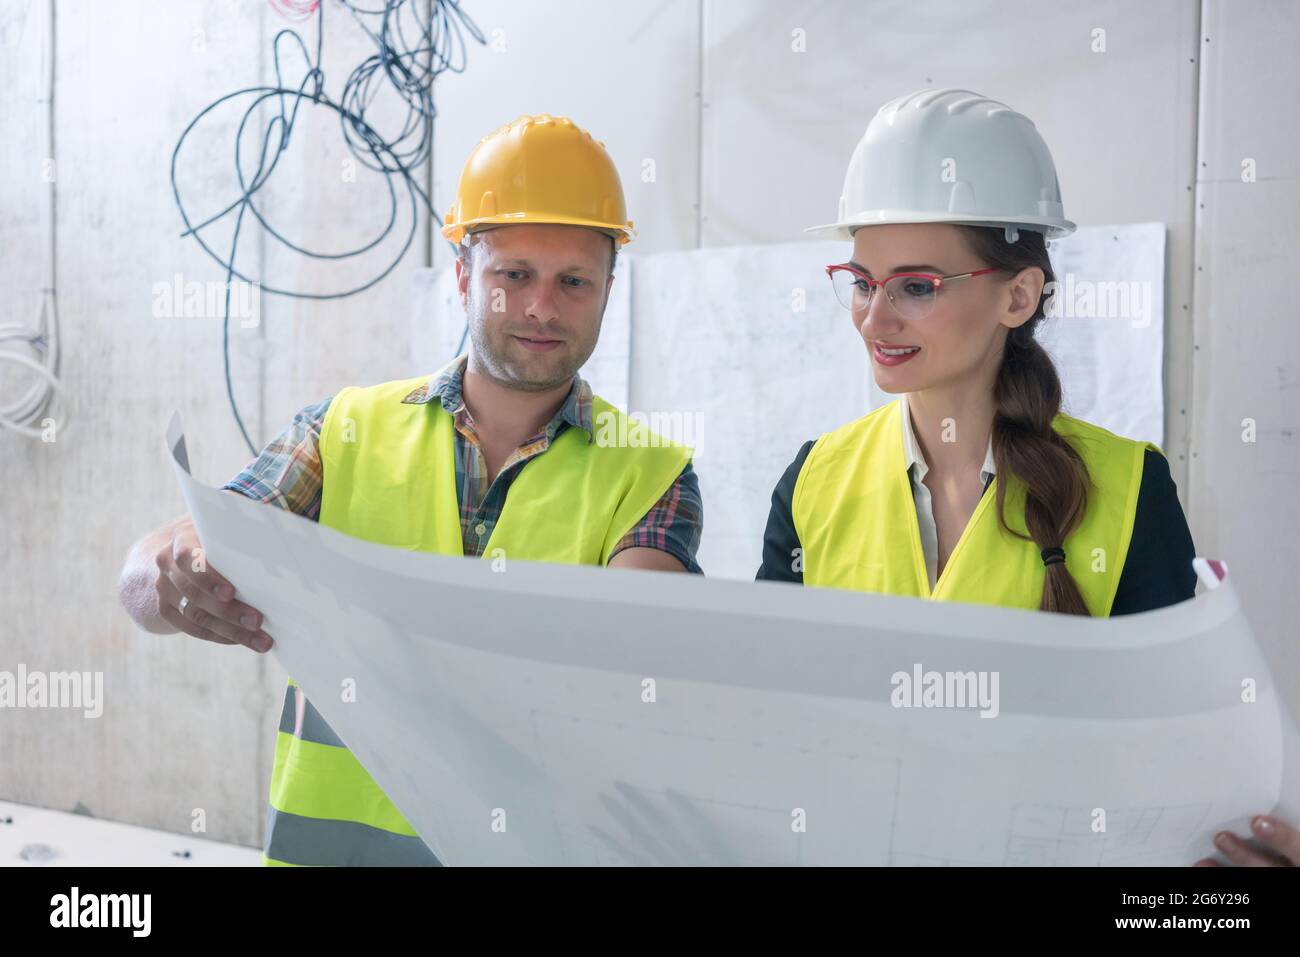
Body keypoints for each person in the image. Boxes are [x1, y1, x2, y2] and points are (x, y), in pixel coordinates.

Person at [117, 113, 703, 865]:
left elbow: (630, 669)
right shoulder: (343, 431)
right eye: (513, 274)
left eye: (574, 281)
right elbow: (176, 554)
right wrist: (162, 576)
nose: (540, 308)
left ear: (608, 289)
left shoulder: (650, 474)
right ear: (465, 275)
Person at [756, 88, 1295, 867]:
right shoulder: (812, 482)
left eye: (916, 286)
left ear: (1018, 294)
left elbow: (1179, 771)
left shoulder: (1127, 487)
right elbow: (767, 735)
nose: (874, 319)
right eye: (862, 280)